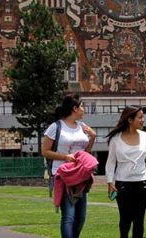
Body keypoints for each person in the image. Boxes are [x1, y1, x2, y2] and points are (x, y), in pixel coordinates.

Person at [41, 94, 96, 238]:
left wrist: (93, 137)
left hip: (80, 175)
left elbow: (85, 153)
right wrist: (65, 157)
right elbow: (45, 151)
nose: (84, 109)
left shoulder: (82, 127)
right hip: (63, 175)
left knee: (81, 217)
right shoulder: (55, 127)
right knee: (69, 216)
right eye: (82, 106)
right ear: (75, 108)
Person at [106, 105, 146, 238]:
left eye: (143, 117)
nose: (143, 120)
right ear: (130, 120)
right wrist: (110, 182)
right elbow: (111, 162)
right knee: (125, 220)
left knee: (139, 220)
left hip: (142, 183)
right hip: (122, 184)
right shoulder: (116, 139)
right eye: (140, 117)